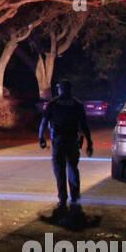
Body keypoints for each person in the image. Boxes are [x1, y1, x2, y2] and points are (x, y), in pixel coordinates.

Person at [38, 79, 93, 228]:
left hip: (58, 141)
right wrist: (89, 142)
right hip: (73, 141)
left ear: (60, 90)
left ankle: (63, 199)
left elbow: (43, 122)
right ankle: (74, 198)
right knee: (73, 168)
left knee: (59, 170)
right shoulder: (77, 104)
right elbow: (84, 125)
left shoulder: (53, 103)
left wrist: (41, 138)